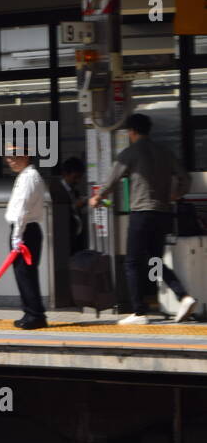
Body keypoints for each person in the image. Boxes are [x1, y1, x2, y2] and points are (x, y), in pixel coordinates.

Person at [89, 113, 196, 324]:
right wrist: (176, 194)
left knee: (131, 262)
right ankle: (183, 296)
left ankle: (139, 311)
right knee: (154, 259)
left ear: (132, 132)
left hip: (142, 214)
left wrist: (98, 197)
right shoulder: (164, 152)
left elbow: (113, 179)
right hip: (163, 214)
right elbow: (185, 177)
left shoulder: (131, 152)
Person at [5, 149, 47, 329]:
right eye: (8, 157)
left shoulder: (29, 177)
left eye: (14, 156)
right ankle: (30, 312)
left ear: (25, 156)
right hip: (24, 230)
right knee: (23, 274)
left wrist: (17, 237)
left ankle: (36, 315)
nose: (9, 160)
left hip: (25, 231)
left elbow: (23, 208)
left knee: (26, 274)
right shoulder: (25, 175)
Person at [60, 156, 88, 254]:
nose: (78, 181)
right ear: (65, 174)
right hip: (65, 240)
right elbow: (60, 214)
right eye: (75, 177)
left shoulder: (74, 191)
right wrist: (76, 206)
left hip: (76, 239)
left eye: (80, 177)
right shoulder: (58, 191)